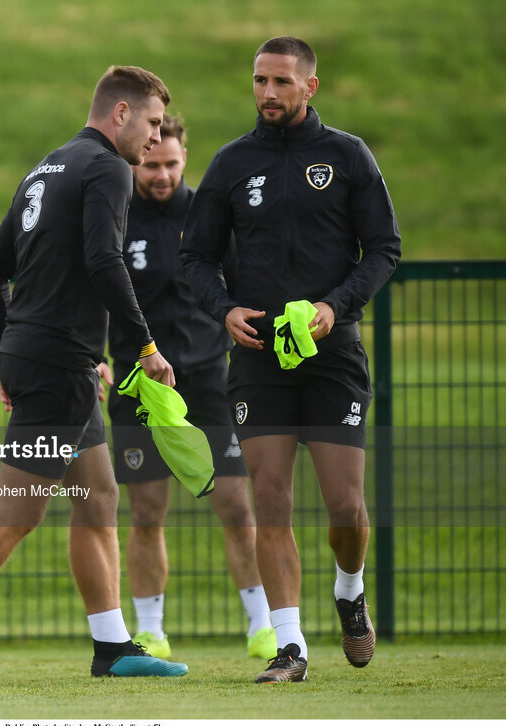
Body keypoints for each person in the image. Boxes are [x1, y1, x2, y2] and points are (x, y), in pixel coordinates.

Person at [0, 66, 188, 681]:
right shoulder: (108, 167)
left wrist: (9, 355)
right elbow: (104, 259)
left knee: (98, 497)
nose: (156, 138)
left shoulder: (46, 168)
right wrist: (145, 346)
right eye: (153, 123)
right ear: (121, 113)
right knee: (18, 511)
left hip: (48, 357)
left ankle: (112, 646)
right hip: (58, 362)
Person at [180, 36, 401, 683]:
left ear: (310, 86)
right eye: (260, 80)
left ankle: (349, 591)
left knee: (346, 507)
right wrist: (224, 308)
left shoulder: (347, 156)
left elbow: (384, 248)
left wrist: (335, 306)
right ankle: (291, 647)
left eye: (281, 81)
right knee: (270, 500)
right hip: (258, 360)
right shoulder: (231, 163)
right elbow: (195, 256)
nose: (268, 92)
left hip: (333, 357)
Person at [103, 114, 276, 662]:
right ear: (136, 162)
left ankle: (262, 626)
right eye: (151, 165)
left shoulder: (210, 215)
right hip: (140, 386)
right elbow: (91, 289)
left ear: (185, 160)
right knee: (147, 511)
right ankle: (151, 630)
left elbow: (245, 288)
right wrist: (94, 358)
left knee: (236, 505)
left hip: (208, 381)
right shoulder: (113, 215)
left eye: (171, 164)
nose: (161, 174)